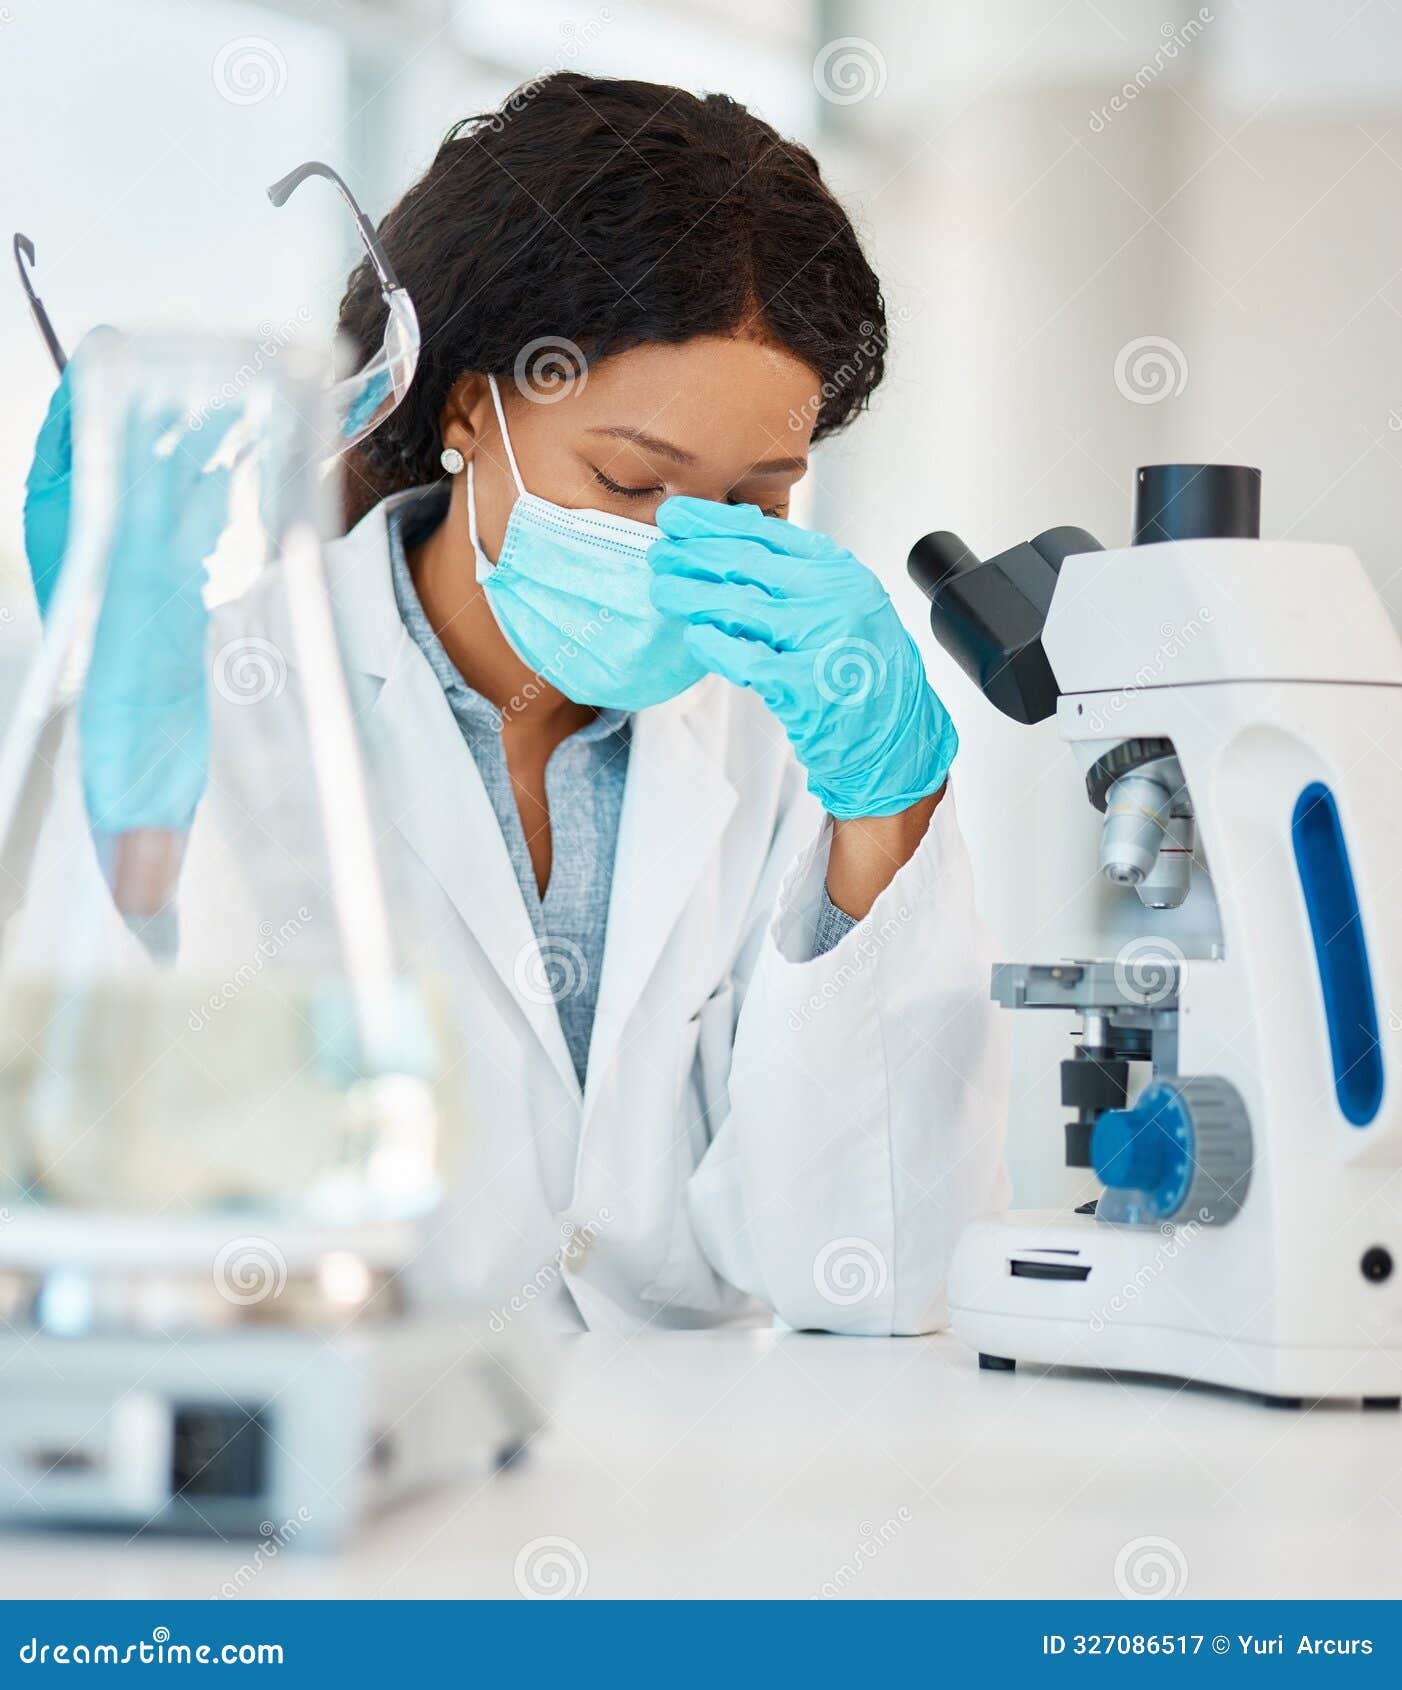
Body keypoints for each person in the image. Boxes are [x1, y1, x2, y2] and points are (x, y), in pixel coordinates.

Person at [22, 74, 1009, 1334]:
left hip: (707, 1492)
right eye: (629, 480)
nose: (683, 554)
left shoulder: (791, 740)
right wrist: (122, 764)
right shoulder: (236, 692)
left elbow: (880, 1270)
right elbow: (122, 1172)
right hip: (374, 1476)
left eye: (755, 506)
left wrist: (890, 806)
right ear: (463, 407)